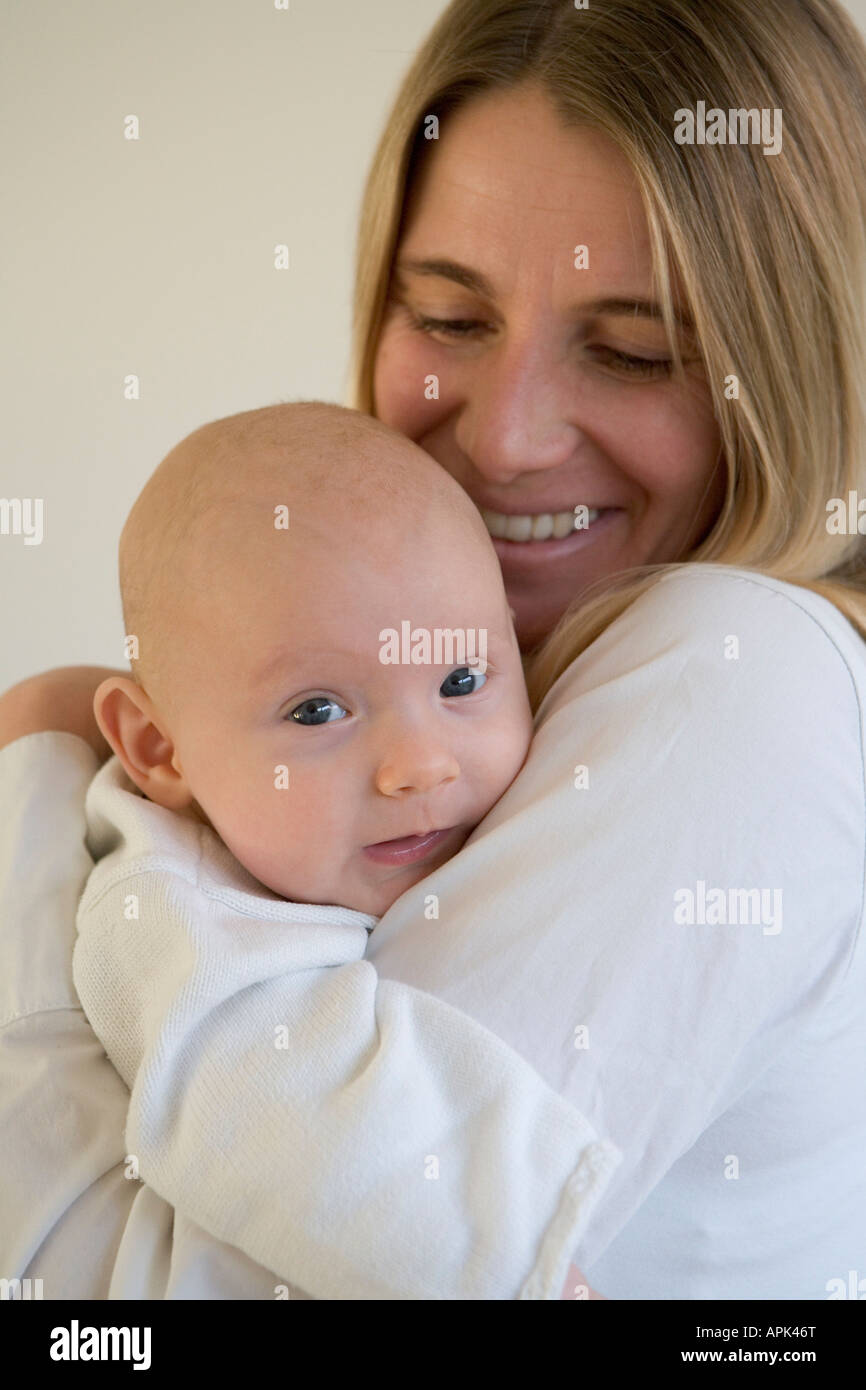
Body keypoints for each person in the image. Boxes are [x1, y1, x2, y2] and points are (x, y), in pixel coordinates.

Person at [2, 0, 865, 1299]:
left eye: (634, 350)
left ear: (791, 366)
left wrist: (37, 807)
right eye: (450, 319)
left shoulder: (729, 668)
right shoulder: (471, 710)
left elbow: (125, 1296)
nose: (507, 438)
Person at [71, 398, 619, 1301]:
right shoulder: (173, 909)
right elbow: (279, 1111)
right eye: (317, 710)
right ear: (156, 749)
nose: (419, 764)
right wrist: (514, 1273)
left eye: (462, 679)